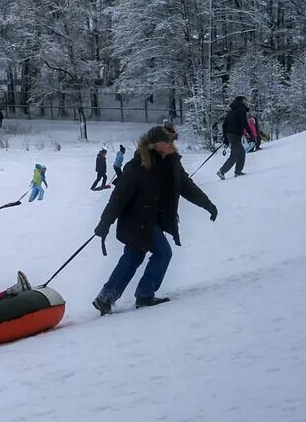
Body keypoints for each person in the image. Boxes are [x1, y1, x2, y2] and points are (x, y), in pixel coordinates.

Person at [91, 124, 218, 314]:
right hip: (137, 220)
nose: (173, 144)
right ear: (158, 144)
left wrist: (207, 204)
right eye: (169, 141)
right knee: (163, 253)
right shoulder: (137, 166)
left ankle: (106, 297)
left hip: (153, 219)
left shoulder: (171, 162)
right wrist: (104, 223)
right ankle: (144, 294)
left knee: (133, 256)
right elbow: (119, 197)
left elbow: (186, 186)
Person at [217, 95, 250, 179]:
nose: (247, 102)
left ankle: (238, 171)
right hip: (235, 135)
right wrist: (251, 134)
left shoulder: (231, 111)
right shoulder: (241, 109)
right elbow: (244, 123)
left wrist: (226, 138)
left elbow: (224, 125)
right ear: (242, 101)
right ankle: (222, 171)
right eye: (245, 100)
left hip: (231, 134)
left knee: (241, 153)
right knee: (235, 154)